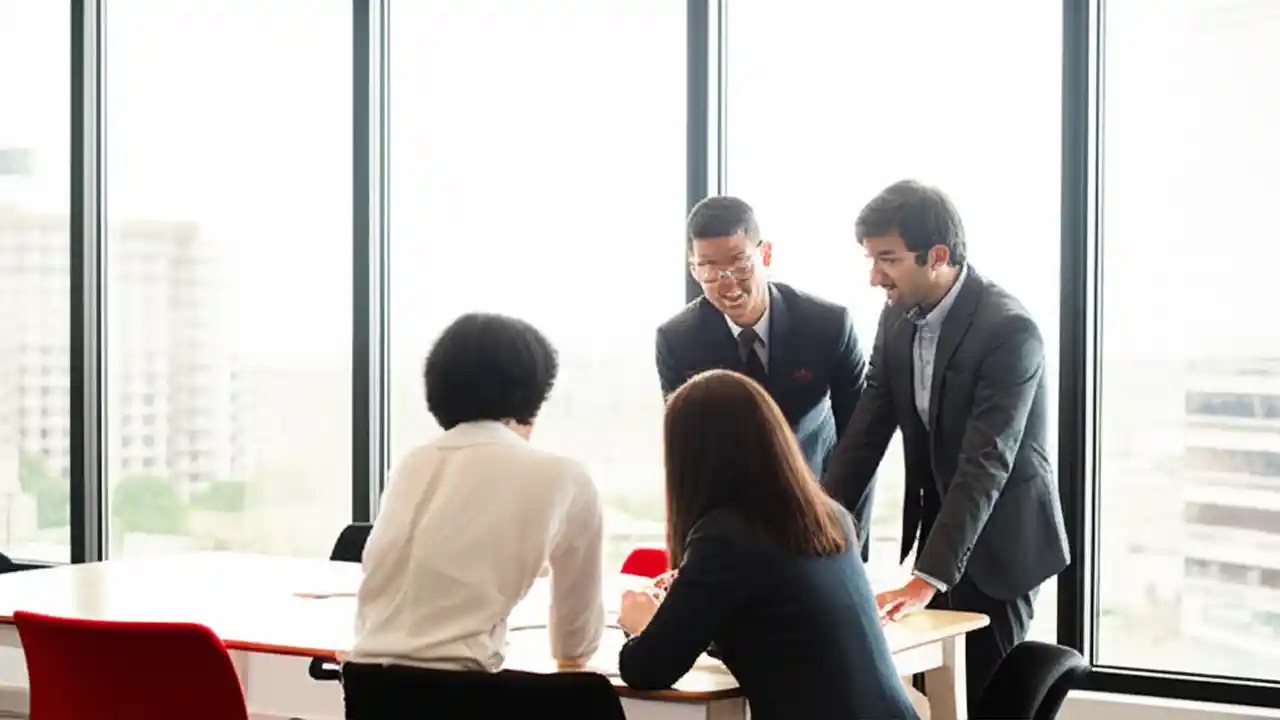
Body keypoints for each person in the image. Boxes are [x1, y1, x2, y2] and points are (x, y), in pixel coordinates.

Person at [822, 180, 1070, 708]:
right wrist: (806, 523)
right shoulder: (896, 316)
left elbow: (987, 462)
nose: (874, 277)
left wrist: (926, 578)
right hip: (942, 531)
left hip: (1002, 544)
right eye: (870, 259)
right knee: (924, 697)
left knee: (978, 700)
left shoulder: (1009, 330)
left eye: (886, 259)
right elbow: (866, 432)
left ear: (937, 256)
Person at [617, 369, 918, 720]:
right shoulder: (828, 516)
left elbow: (648, 669)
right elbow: (770, 626)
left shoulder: (725, 536)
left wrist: (641, 623)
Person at [346, 313, 604, 672]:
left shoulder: (412, 464)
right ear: (535, 392)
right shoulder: (564, 475)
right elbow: (575, 641)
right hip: (469, 694)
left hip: (368, 687)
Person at [655, 196, 867, 479]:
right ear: (694, 269)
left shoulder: (827, 326)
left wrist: (842, 521)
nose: (727, 282)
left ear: (765, 255)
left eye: (739, 264)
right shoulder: (677, 342)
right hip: (729, 506)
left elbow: (859, 445)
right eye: (709, 268)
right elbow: (686, 452)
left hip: (818, 495)